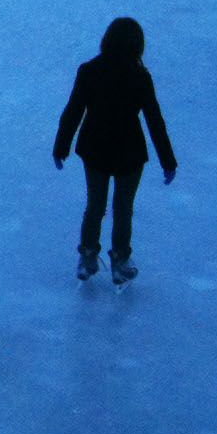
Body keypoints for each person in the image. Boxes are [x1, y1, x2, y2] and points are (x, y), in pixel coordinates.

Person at [53, 17, 178, 287]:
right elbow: (155, 121)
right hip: (129, 153)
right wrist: (168, 161)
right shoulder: (140, 77)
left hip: (95, 149)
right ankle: (120, 260)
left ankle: (88, 256)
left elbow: (73, 111)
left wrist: (61, 147)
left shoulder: (90, 71)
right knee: (123, 208)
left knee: (95, 205)